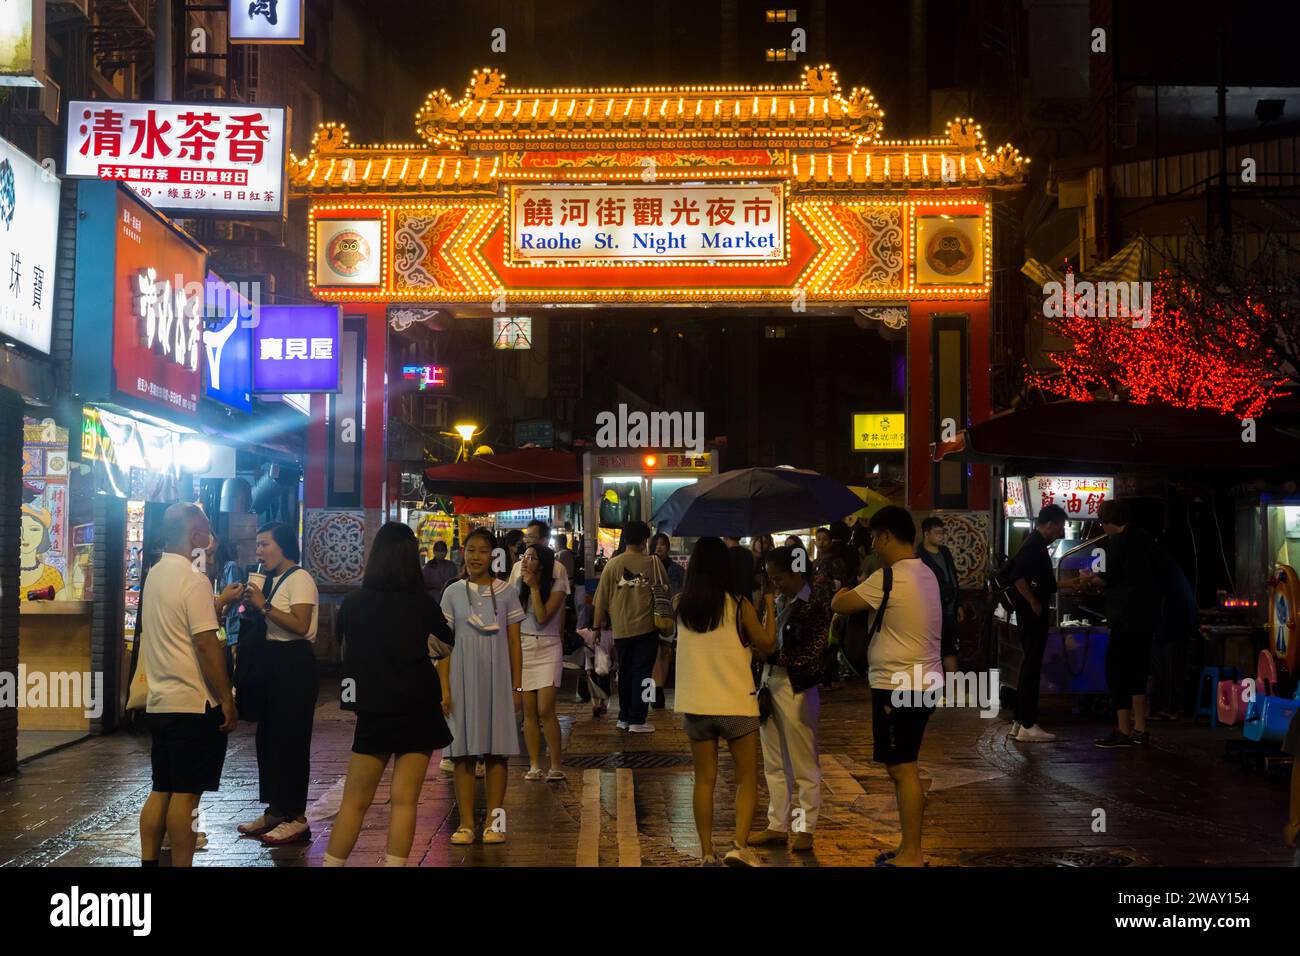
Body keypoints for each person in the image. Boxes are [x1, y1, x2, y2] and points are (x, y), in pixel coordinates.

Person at [324, 522, 455, 867]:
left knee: (354, 801)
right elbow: (445, 644)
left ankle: (331, 864)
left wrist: (351, 698)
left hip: (374, 711)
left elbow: (345, 651)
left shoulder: (353, 604)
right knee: (405, 801)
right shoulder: (422, 604)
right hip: (418, 709)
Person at [830, 506, 941, 868]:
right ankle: (908, 845)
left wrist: (844, 586)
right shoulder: (927, 573)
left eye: (876, 538)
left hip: (898, 684)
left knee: (902, 768)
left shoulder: (888, 577)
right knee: (904, 765)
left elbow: (840, 604)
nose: (875, 545)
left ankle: (913, 853)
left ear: (887, 536)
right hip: (924, 681)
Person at [138, 504, 237, 867]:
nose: (210, 538)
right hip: (193, 705)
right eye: (206, 530)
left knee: (160, 789)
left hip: (160, 702)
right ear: (195, 534)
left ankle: (148, 861)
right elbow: (206, 643)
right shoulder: (194, 580)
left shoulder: (155, 574)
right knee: (186, 797)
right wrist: (226, 698)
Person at [673, 536, 777, 866]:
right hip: (735, 704)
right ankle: (738, 845)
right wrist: (770, 605)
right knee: (747, 777)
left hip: (696, 706)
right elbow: (769, 644)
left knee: (704, 779)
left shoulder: (682, 604)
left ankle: (706, 852)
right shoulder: (739, 605)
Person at [438, 527, 525, 844]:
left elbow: (514, 642)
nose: (476, 556)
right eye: (471, 550)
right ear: (463, 552)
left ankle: (495, 822)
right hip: (461, 680)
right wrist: (444, 689)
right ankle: (465, 825)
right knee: (461, 753)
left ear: (494, 555)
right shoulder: (452, 593)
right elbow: (443, 645)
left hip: (497, 680)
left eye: (483, 551)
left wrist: (517, 688)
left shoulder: (506, 592)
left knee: (496, 753)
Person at [237, 522, 321, 845]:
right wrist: (246, 603)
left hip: (294, 664)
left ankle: (296, 817)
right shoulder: (269, 579)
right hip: (271, 662)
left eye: (264, 544)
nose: (259, 551)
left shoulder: (300, 578)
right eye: (257, 545)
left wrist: (265, 606)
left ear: (283, 545)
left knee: (291, 740)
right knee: (268, 739)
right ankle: (275, 810)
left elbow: (300, 625)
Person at [749, 545, 829, 852]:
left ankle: (806, 826)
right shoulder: (775, 602)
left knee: (803, 761)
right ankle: (776, 825)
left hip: (797, 688)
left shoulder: (815, 606)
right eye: (770, 578)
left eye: (779, 578)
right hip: (768, 684)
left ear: (797, 572)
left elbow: (812, 653)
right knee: (773, 762)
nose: (775, 584)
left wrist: (774, 654)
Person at [1095, 500, 1163, 749]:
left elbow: (1108, 578)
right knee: (1138, 671)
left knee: (1116, 670)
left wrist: (1091, 579)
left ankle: (1123, 729)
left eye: (1103, 522)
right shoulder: (1146, 539)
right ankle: (1140, 729)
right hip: (1146, 617)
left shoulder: (1118, 543)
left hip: (1124, 617)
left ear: (1110, 522)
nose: (1102, 527)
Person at [593, 520, 669, 734]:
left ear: (625, 539)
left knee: (624, 672)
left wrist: (596, 627)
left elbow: (601, 601)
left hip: (622, 630)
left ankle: (624, 717)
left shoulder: (612, 564)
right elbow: (666, 592)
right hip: (648, 629)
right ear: (646, 540)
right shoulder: (653, 563)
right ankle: (639, 718)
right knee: (644, 675)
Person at [1006, 504, 1068, 742]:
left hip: (1031, 614)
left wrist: (1069, 586)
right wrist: (1032, 601)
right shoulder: (1034, 545)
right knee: (1031, 667)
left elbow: (1046, 583)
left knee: (1029, 666)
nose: (1059, 533)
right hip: (1032, 616)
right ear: (1049, 524)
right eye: (1059, 528)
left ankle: (1019, 721)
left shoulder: (1035, 543)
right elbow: (1017, 576)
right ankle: (1028, 724)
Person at [518, 543, 568, 781]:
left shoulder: (556, 583)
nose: (526, 561)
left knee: (545, 709)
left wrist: (535, 588)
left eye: (532, 558)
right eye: (525, 556)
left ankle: (556, 764)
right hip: (524, 646)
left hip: (548, 646)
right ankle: (534, 764)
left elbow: (541, 617)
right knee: (528, 712)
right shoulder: (517, 582)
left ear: (543, 563)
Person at [1150, 551, 1198, 721]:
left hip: (1173, 622)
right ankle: (1169, 706)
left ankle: (1171, 707)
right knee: (1168, 664)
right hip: (1173, 622)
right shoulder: (1166, 563)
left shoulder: (1158, 567)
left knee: (1170, 665)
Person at [917, 516, 961, 680]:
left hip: (950, 610)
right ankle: (932, 689)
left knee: (950, 649)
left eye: (942, 533)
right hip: (931, 611)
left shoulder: (945, 552)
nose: (941, 536)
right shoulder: (919, 556)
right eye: (937, 533)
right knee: (932, 652)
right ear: (926, 534)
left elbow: (953, 578)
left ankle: (954, 689)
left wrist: (959, 604)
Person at [722, 535, 755, 602]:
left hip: (730, 599)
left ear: (726, 537)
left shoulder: (724, 554)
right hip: (746, 597)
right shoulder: (748, 553)